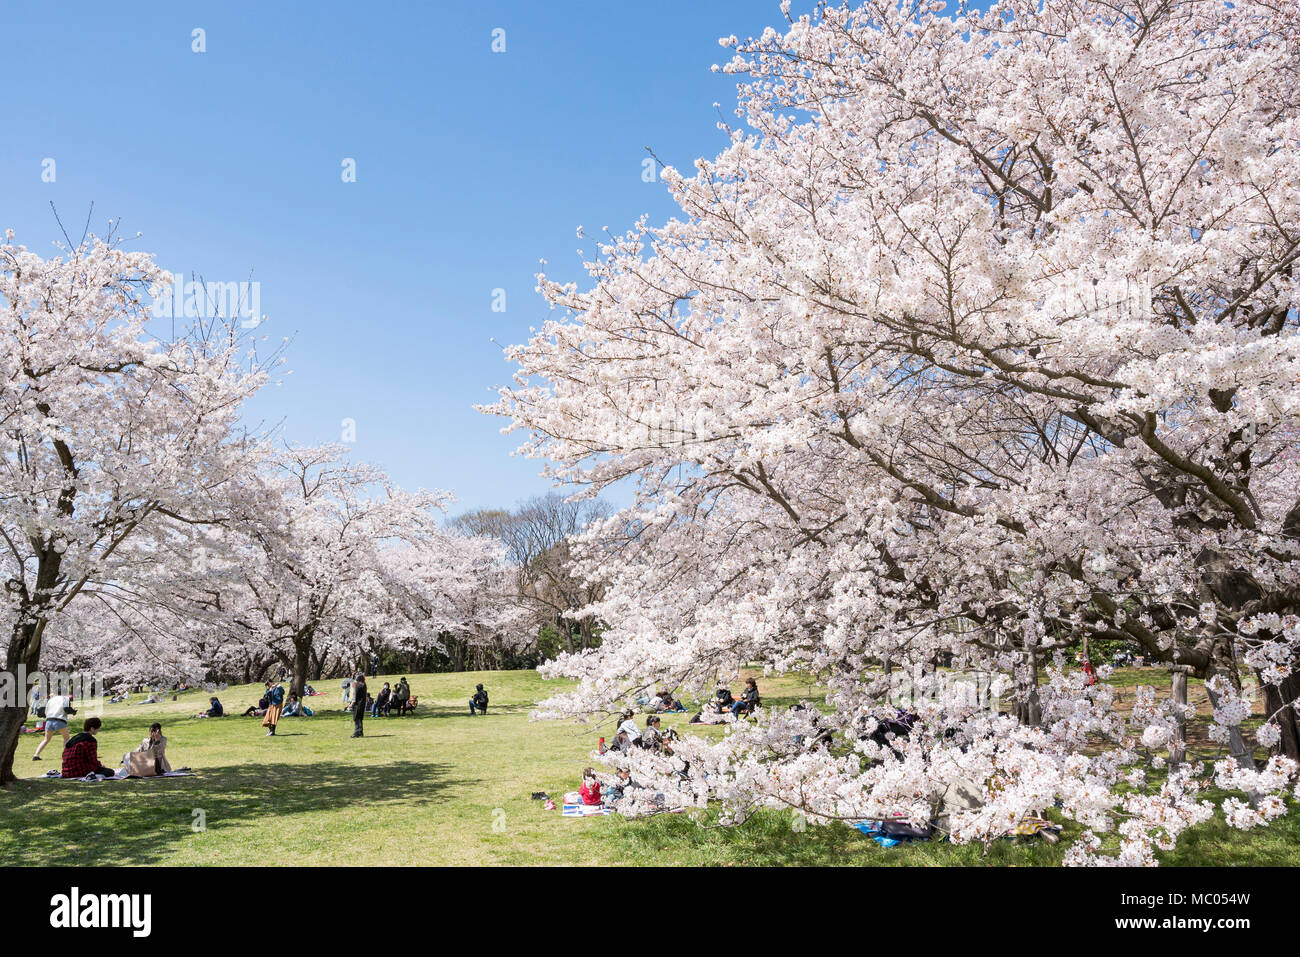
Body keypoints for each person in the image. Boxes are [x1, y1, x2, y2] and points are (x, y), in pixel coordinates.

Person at [33, 692, 74, 761]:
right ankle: (66, 755)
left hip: (49, 720)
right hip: (59, 719)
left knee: (46, 739)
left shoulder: (51, 699)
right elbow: (67, 709)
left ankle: (36, 755)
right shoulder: (65, 698)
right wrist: (73, 711)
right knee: (66, 738)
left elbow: (44, 710)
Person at [350, 673, 367, 738]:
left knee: (356, 718)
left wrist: (351, 704)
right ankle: (360, 732)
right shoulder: (364, 685)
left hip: (357, 704)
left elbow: (355, 696)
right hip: (362, 704)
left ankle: (356, 732)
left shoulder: (358, 686)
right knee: (360, 718)